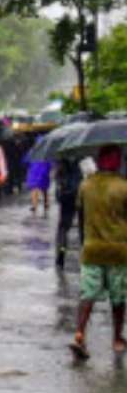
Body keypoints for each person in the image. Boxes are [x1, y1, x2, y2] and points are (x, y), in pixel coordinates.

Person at [69, 145, 127, 361]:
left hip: (92, 249)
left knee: (87, 295)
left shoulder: (86, 185)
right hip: (118, 251)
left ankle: (80, 334)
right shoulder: (123, 186)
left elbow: (80, 214)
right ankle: (117, 339)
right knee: (118, 298)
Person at [54, 156, 84, 269]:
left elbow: (58, 181)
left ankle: (62, 249)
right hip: (80, 195)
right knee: (83, 227)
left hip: (66, 198)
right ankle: (84, 251)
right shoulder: (82, 160)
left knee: (63, 227)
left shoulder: (61, 161)